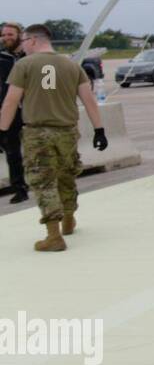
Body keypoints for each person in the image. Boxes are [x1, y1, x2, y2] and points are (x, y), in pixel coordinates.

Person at [0, 24, 108, 251]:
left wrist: (2, 130)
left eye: (24, 41)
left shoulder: (24, 65)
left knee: (42, 180)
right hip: (67, 131)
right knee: (67, 174)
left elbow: (10, 101)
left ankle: (53, 235)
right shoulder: (71, 65)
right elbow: (89, 100)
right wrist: (99, 130)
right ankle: (68, 217)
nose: (22, 46)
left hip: (37, 133)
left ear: (32, 40)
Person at [0, 21, 27, 203]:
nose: (6, 38)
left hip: (32, 110)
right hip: (10, 111)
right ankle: (19, 188)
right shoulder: (1, 58)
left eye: (10, 34)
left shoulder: (32, 56)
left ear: (20, 35)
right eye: (4, 35)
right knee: (12, 152)